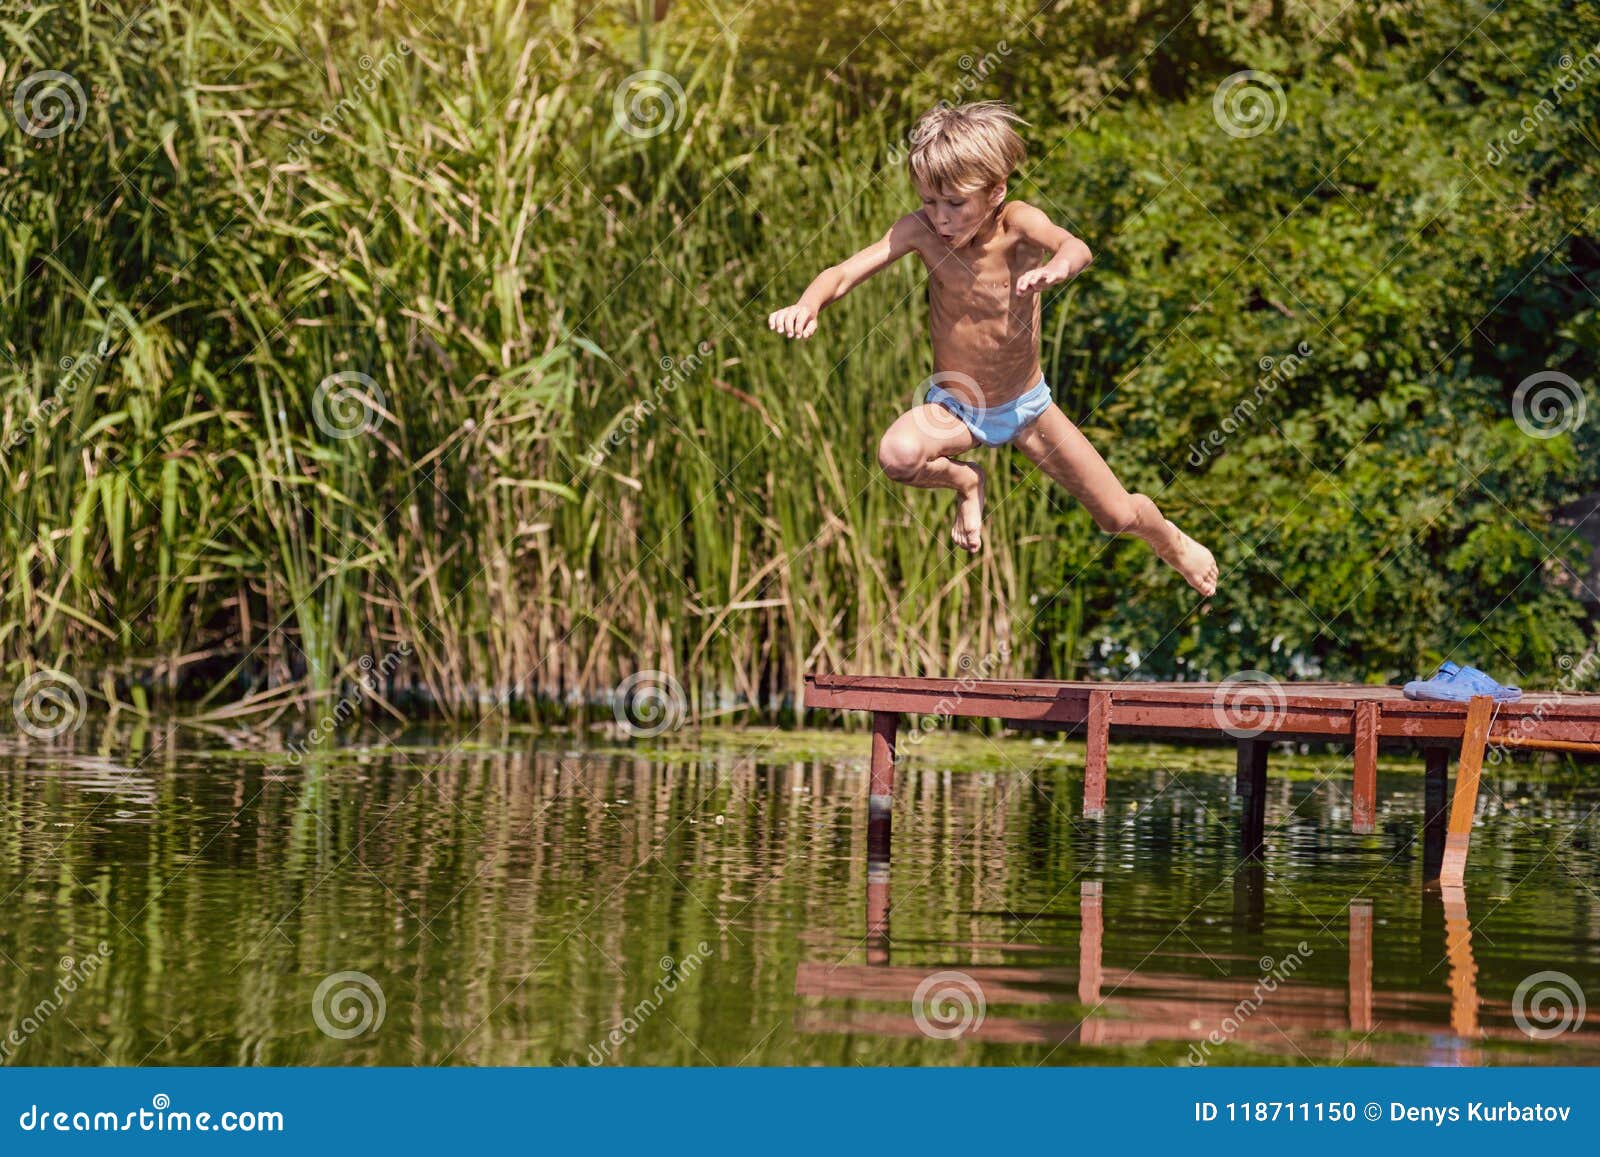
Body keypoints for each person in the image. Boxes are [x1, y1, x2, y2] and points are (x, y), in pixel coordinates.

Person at [767, 100, 1218, 597]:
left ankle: (1172, 544)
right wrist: (807, 304)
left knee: (1115, 516)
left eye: (955, 204)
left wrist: (1056, 269)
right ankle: (966, 483)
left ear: (995, 191)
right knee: (897, 455)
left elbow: (1075, 246)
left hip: (1028, 409)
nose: (940, 218)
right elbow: (844, 272)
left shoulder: (1018, 224)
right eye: (929, 201)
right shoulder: (919, 230)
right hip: (957, 406)